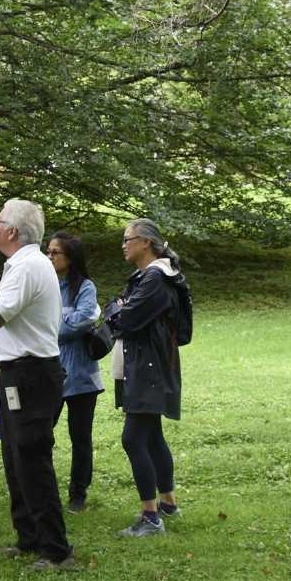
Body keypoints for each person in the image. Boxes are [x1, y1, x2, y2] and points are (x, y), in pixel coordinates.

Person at [0, 199, 76, 571]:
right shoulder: (24, 265)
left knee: (32, 459)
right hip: (18, 373)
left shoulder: (27, 266)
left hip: (32, 376)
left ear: (11, 231)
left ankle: (56, 550)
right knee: (16, 458)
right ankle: (29, 537)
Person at [104, 218, 193, 538]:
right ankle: (168, 503)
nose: (123, 245)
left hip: (148, 367)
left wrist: (118, 309)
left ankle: (150, 517)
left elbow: (124, 318)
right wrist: (118, 309)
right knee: (152, 436)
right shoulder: (148, 276)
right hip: (149, 364)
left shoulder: (155, 278)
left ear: (145, 242)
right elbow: (118, 311)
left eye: (128, 239)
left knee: (133, 438)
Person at [48, 232, 103, 513]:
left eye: (55, 252)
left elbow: (81, 321)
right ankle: (44, 490)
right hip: (52, 374)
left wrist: (52, 327)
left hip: (82, 376)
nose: (49, 256)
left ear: (69, 258)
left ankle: (78, 494)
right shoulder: (45, 285)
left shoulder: (86, 287)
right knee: (43, 432)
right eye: (49, 251)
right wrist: (65, 323)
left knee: (80, 437)